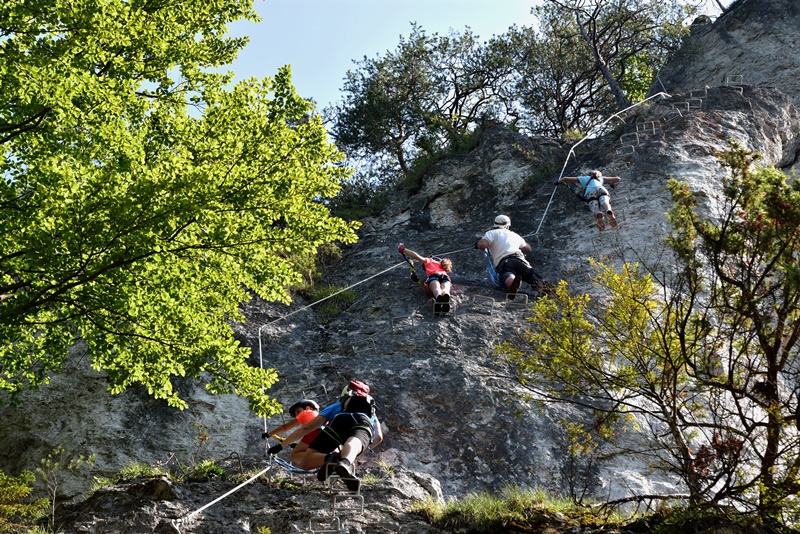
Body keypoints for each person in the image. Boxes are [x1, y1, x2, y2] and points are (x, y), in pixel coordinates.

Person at [302, 380, 384, 491]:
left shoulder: (339, 404)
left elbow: (311, 425)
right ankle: (344, 462)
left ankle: (332, 458)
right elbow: (379, 437)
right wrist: (354, 453)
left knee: (306, 462)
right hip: (362, 421)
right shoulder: (370, 410)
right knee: (353, 442)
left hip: (340, 420)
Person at [475, 214, 547, 299]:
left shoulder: (491, 233)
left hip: (504, 261)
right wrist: (521, 243)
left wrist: (477, 244)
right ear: (507, 226)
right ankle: (546, 289)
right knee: (530, 275)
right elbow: (528, 249)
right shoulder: (514, 235)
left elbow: (482, 245)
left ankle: (512, 282)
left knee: (507, 274)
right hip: (519, 259)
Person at [557, 169, 621, 230]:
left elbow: (565, 179)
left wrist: (558, 182)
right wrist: (610, 183)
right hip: (601, 189)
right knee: (605, 202)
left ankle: (598, 214)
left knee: (595, 208)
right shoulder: (601, 178)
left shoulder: (584, 178)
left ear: (589, 174)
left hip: (590, 192)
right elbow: (618, 179)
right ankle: (608, 210)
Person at [397, 244, 453, 313]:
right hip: (444, 276)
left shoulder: (429, 260)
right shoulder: (443, 265)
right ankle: (446, 295)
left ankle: (438, 296)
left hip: (434, 276)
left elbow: (417, 256)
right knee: (445, 290)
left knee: (436, 289)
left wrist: (404, 250)